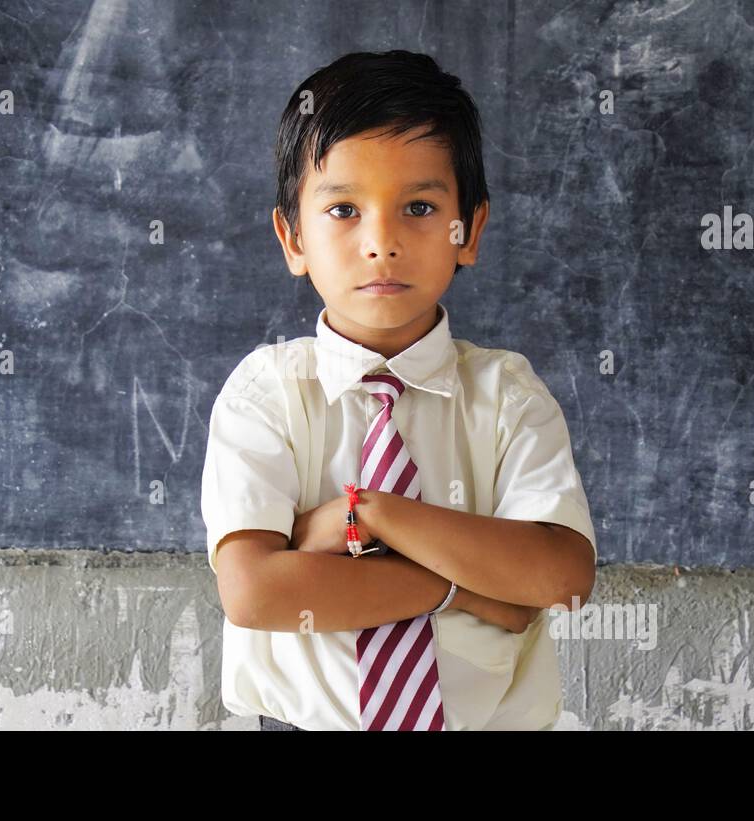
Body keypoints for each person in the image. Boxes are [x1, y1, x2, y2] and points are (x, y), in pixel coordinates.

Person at [200, 50, 597, 731]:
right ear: (292, 237)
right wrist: (458, 589)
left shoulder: (507, 394)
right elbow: (256, 592)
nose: (381, 241)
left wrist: (369, 515)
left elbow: (559, 580)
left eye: (419, 206)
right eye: (345, 209)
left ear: (467, 229)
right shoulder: (265, 392)